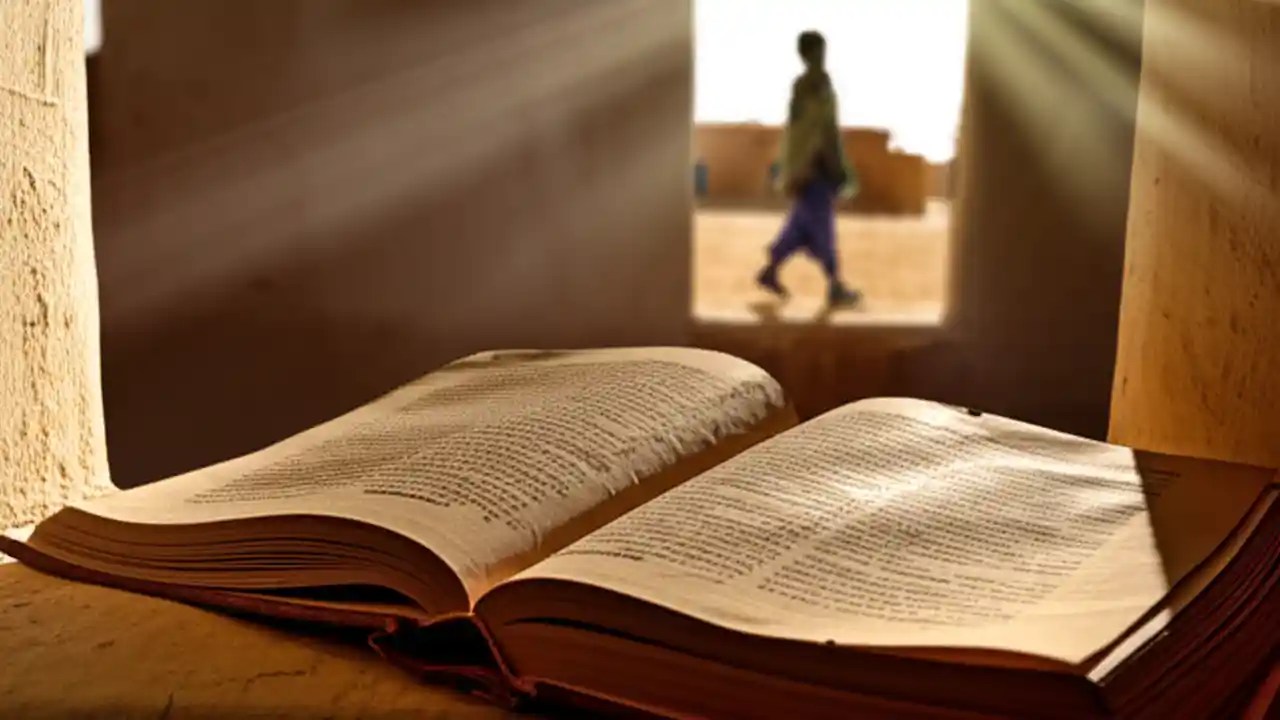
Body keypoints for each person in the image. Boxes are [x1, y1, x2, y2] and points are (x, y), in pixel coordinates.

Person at [756, 30, 861, 307]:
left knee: (800, 227)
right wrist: (833, 165)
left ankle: (770, 270)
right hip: (814, 169)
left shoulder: (802, 86)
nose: (821, 57)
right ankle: (835, 286)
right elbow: (820, 130)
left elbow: (802, 131)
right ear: (807, 54)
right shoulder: (816, 85)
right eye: (817, 51)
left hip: (804, 168)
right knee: (822, 227)